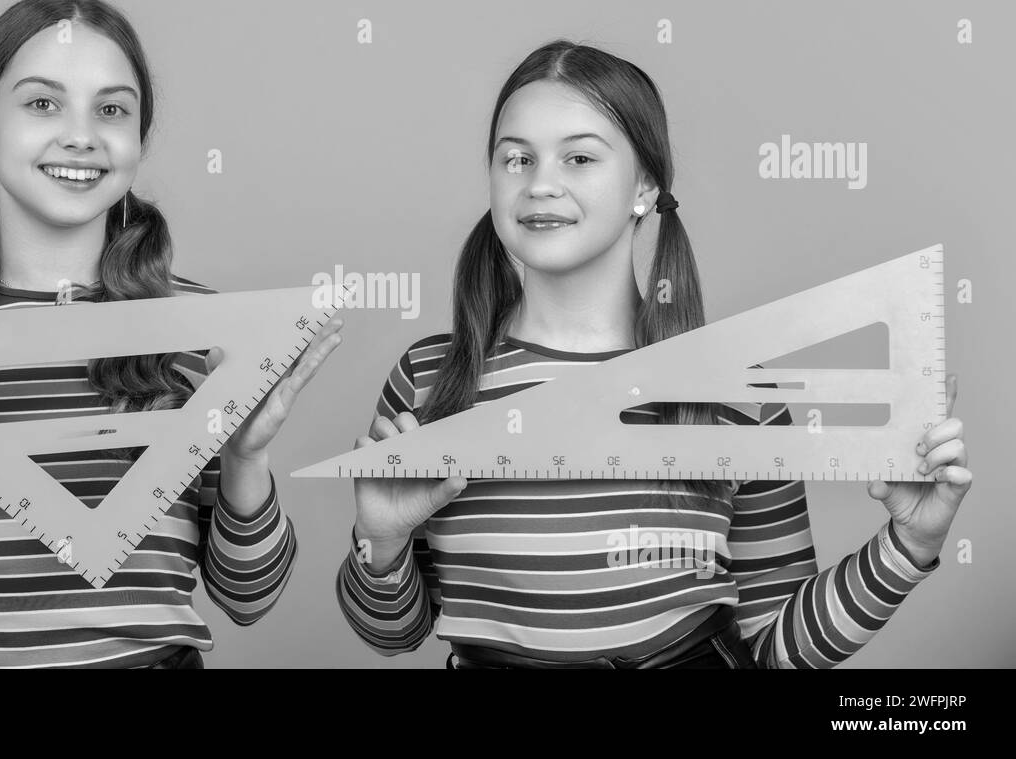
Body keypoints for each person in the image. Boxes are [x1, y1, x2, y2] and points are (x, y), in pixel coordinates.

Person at [336, 40, 969, 668]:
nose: (540, 184)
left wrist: (908, 545)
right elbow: (391, 636)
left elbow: (775, 649)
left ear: (644, 186)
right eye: (516, 159)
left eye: (579, 157)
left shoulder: (736, 390)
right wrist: (382, 543)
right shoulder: (428, 379)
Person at [0, 0, 343, 668]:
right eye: (42, 103)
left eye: (112, 109)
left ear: (139, 140)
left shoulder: (200, 333)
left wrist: (245, 458)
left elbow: (250, 595)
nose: (81, 134)